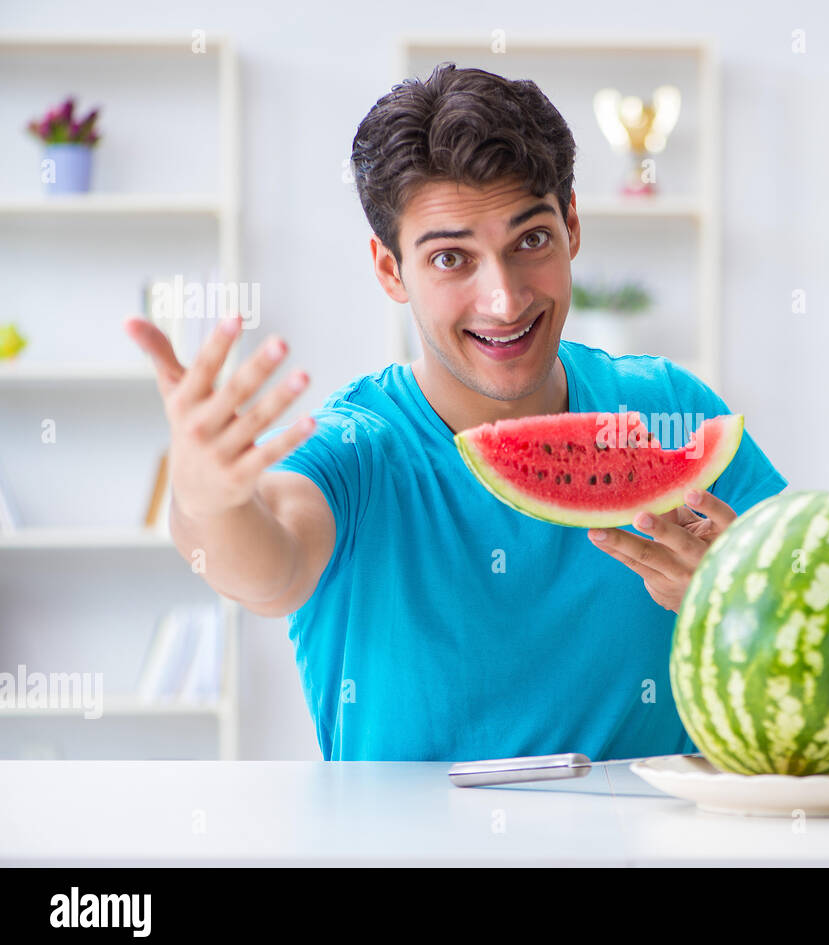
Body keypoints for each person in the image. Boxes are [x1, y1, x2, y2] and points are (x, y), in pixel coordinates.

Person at [124, 64, 786, 761]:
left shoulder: (670, 411)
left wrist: (740, 607)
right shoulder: (357, 447)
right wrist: (206, 499)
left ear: (571, 230)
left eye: (530, 241)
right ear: (390, 270)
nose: (503, 299)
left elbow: (823, 621)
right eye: (450, 258)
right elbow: (269, 571)